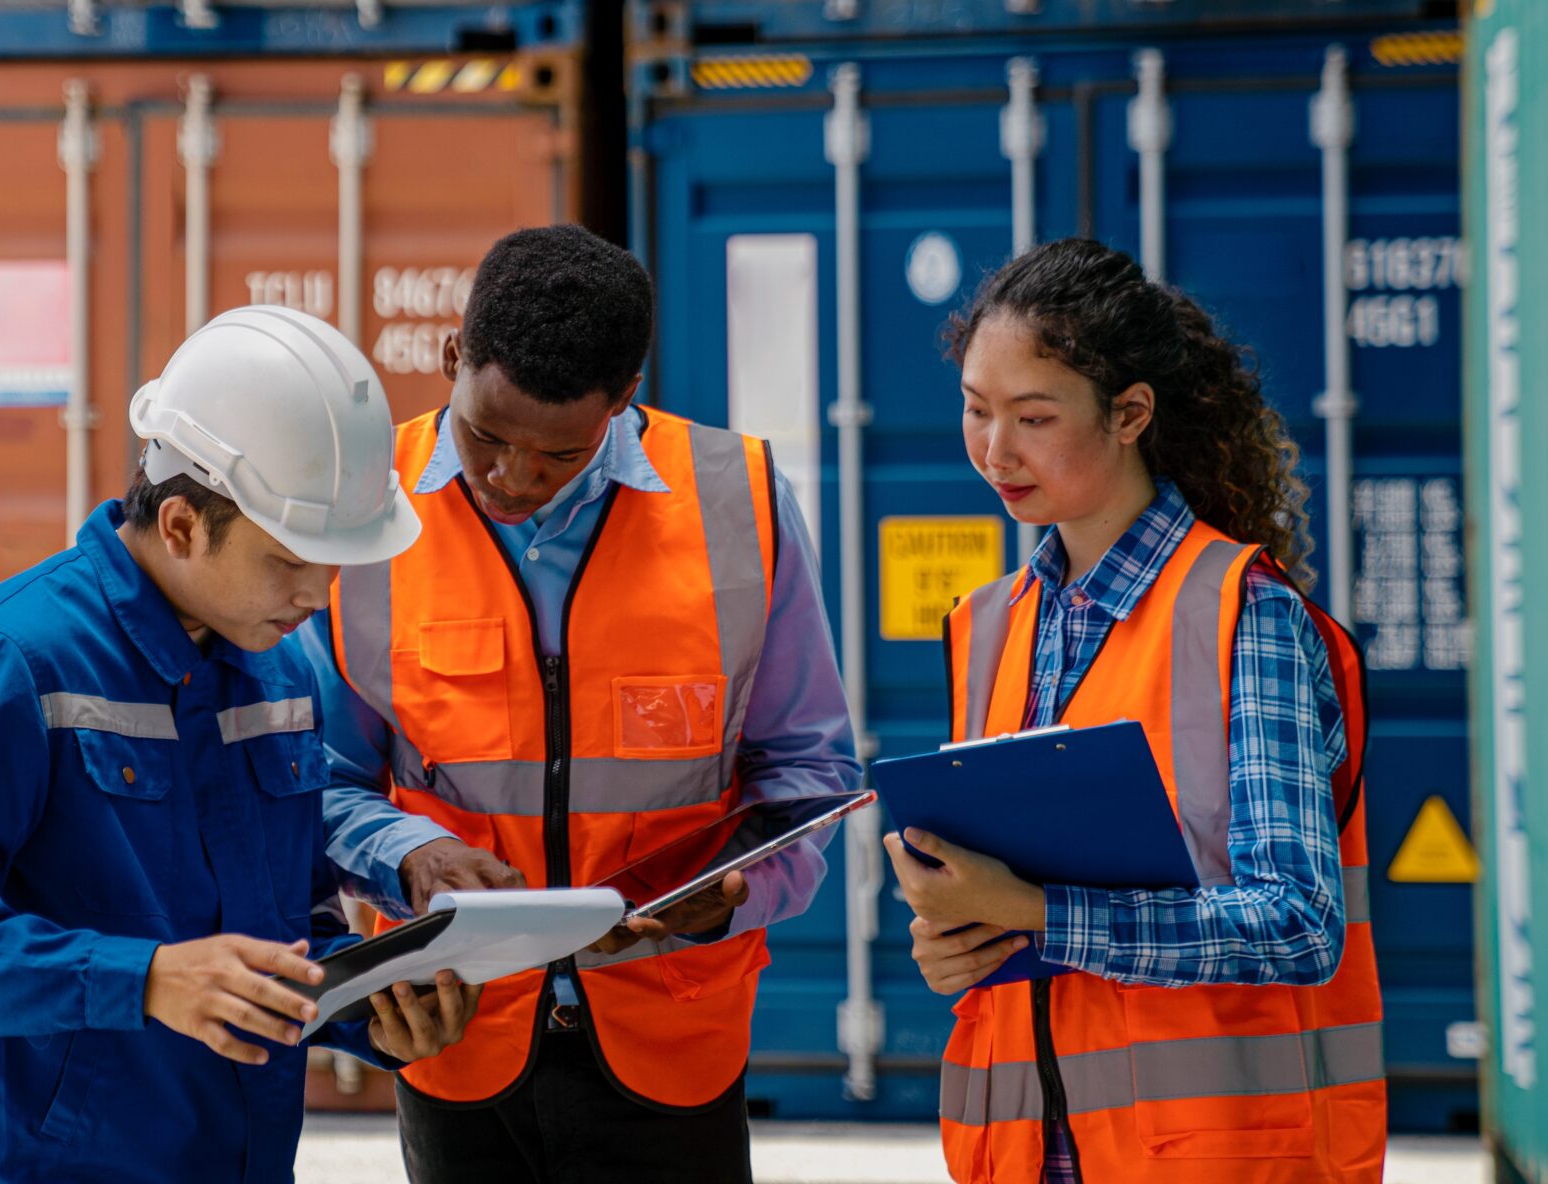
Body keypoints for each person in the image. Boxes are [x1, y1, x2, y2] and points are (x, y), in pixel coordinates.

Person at [0, 307, 483, 1183]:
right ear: (181, 525)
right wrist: (142, 979)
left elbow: (291, 930)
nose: (317, 595)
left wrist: (367, 1008)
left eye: (334, 565)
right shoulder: (7, 663)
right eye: (290, 560)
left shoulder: (278, 669)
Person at [296, 224, 861, 1184]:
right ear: (449, 359)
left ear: (621, 405)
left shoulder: (740, 500)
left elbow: (811, 777)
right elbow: (313, 780)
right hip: (454, 1029)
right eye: (485, 435)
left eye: (557, 455)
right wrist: (408, 854)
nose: (512, 478)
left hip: (673, 1030)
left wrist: (723, 902)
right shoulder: (360, 514)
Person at [882, 239, 1384, 1183]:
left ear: (1130, 414)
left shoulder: (1245, 615)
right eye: (976, 410)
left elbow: (1300, 925)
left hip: (1218, 1158)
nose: (995, 450)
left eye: (1033, 417)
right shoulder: (987, 626)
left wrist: (1036, 911)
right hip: (1030, 1155)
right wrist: (956, 940)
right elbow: (1009, 913)